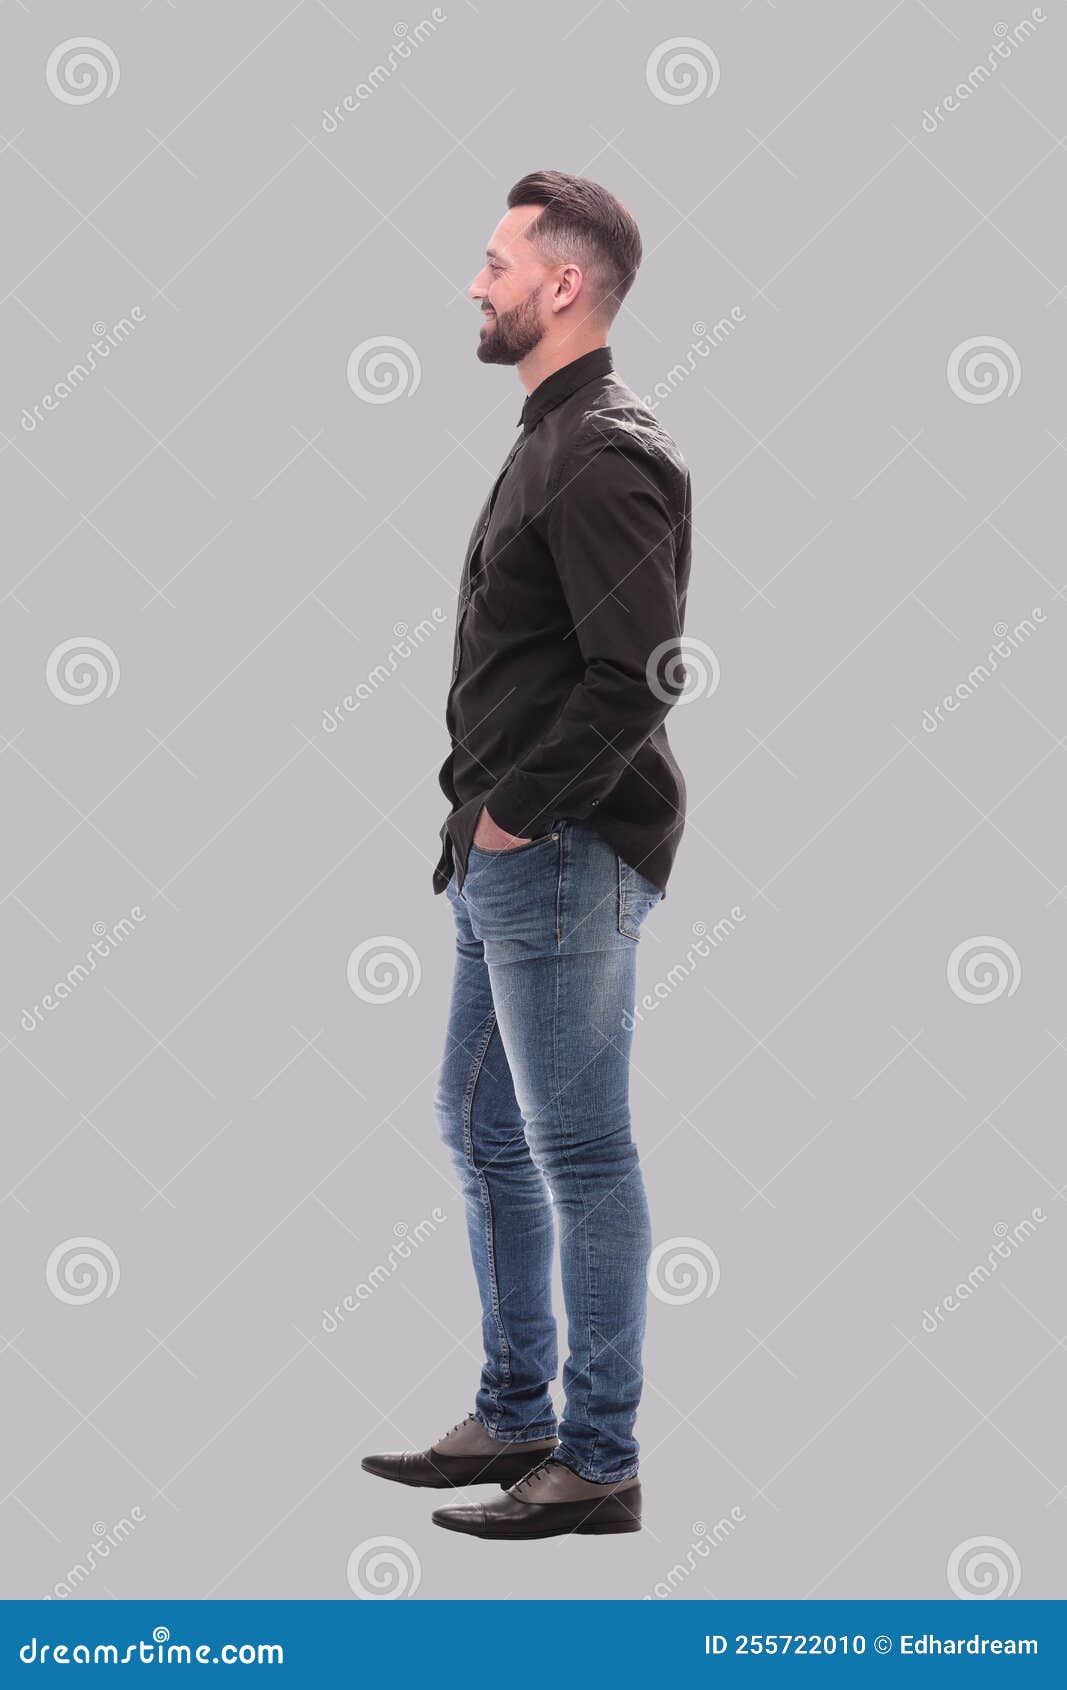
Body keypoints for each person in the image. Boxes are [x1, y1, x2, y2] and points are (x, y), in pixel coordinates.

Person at [362, 170, 692, 1541]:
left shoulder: (603, 449)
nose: (479, 281)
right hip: (501, 855)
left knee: (579, 1149)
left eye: (498, 261)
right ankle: (517, 1410)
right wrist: (477, 825)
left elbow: (638, 677)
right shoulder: (548, 434)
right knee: (485, 1128)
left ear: (565, 284)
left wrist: (518, 813)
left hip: (555, 851)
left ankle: (598, 1457)